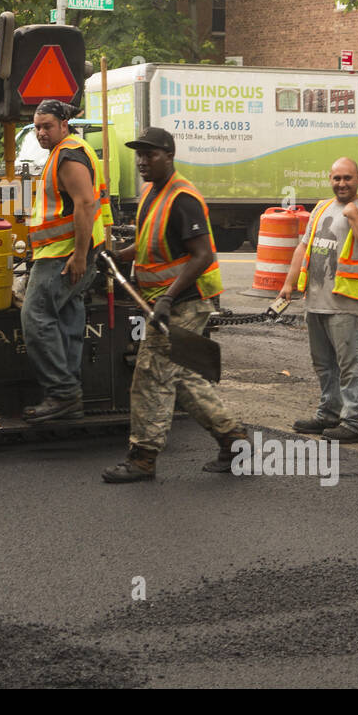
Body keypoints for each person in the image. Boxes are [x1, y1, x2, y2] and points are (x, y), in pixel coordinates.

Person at [100, 127, 246, 482]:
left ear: (169, 155)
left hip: (185, 301)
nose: (141, 162)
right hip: (166, 301)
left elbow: (201, 255)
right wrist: (117, 256)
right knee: (182, 377)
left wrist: (167, 298)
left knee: (150, 375)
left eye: (150, 155)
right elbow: (152, 242)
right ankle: (234, 443)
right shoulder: (154, 193)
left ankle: (143, 458)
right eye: (139, 155)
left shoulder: (183, 198)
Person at [21, 99, 113, 422]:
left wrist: (79, 256)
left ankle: (61, 393)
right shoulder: (76, 149)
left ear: (64, 125)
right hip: (72, 253)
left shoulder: (68, 155)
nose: (41, 132)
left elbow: (86, 204)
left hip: (63, 256)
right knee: (68, 316)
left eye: (47, 126)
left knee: (35, 316)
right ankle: (70, 391)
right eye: (37, 127)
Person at [278, 158, 358, 442]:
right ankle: (329, 413)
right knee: (323, 363)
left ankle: (355, 421)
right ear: (330, 178)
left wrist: (353, 216)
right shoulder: (321, 208)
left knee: (351, 364)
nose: (342, 183)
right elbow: (304, 246)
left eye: (347, 178)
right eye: (337, 178)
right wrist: (288, 283)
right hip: (316, 301)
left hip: (346, 303)